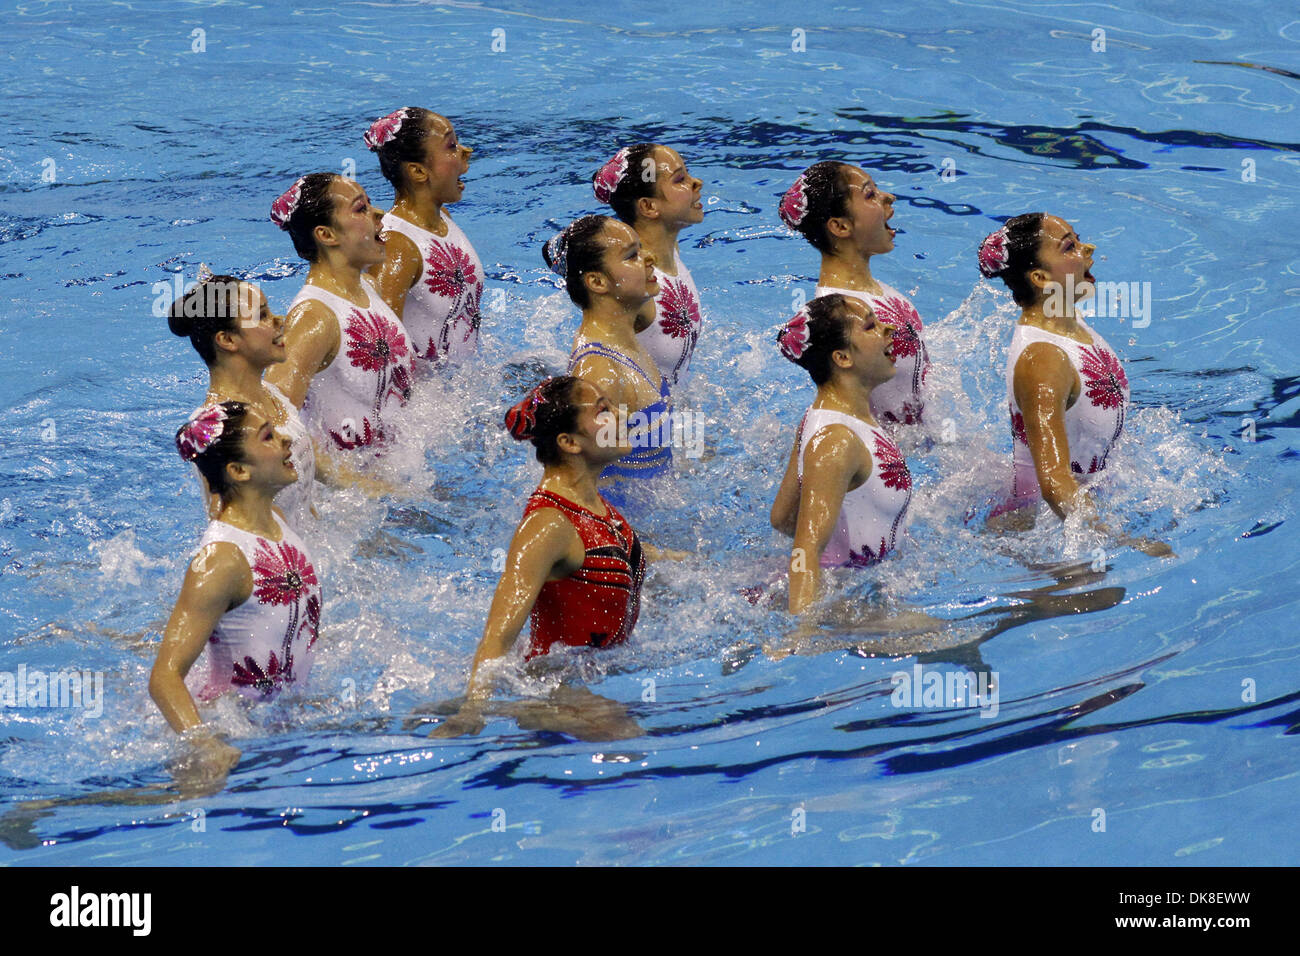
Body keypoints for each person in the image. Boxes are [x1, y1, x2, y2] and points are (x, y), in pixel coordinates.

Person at [432, 377, 645, 739]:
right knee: (629, 739)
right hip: (552, 689)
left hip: (596, 677)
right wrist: (474, 709)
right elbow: (498, 638)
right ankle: (513, 708)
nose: (621, 415)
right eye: (604, 410)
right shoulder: (548, 525)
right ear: (569, 442)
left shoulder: (597, 509)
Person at [977, 213, 1169, 559]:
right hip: (1039, 532)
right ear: (1041, 278)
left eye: (1078, 240)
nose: (1088, 249)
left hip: (1074, 512)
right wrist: (1121, 540)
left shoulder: (1068, 322)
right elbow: (1054, 483)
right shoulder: (1043, 359)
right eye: (1070, 247)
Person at [150, 401, 322, 784]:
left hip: (275, 728)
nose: (286, 440)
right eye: (268, 436)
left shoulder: (275, 521)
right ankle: (49, 809)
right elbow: (165, 676)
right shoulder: (221, 561)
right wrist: (205, 743)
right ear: (239, 471)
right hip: (229, 730)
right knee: (180, 804)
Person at [769, 294, 912, 613]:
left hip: (857, 589)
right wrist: (801, 636)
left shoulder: (821, 416)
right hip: (845, 604)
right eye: (871, 326)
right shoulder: (837, 441)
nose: (888, 329)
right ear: (843, 358)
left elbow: (781, 516)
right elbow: (806, 549)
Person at [265, 173, 413, 463]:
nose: (379, 212)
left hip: (397, 483)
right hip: (355, 503)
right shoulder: (316, 316)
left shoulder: (369, 288)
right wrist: (344, 482)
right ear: (326, 235)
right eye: (361, 209)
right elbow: (271, 420)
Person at [779, 161, 929, 425]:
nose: (888, 197)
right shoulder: (844, 316)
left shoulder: (876, 291)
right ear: (840, 227)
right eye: (870, 194)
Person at [544, 214, 674, 513]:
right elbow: (577, 492)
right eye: (632, 255)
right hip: (635, 528)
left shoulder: (626, 343)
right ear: (597, 281)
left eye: (641, 249)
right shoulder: (601, 373)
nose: (649, 258)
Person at [168, 266, 315, 527]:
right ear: (227, 340)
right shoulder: (219, 427)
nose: (279, 320)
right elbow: (224, 520)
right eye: (262, 316)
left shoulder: (271, 395)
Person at [367, 107, 483, 366]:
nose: (466, 152)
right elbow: (383, 354)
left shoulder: (444, 220)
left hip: (459, 386)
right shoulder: (396, 246)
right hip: (428, 399)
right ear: (418, 171)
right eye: (451, 146)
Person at [593, 143, 704, 387]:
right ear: (649, 206)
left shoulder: (668, 251)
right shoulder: (634, 284)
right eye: (680, 179)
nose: (697, 183)